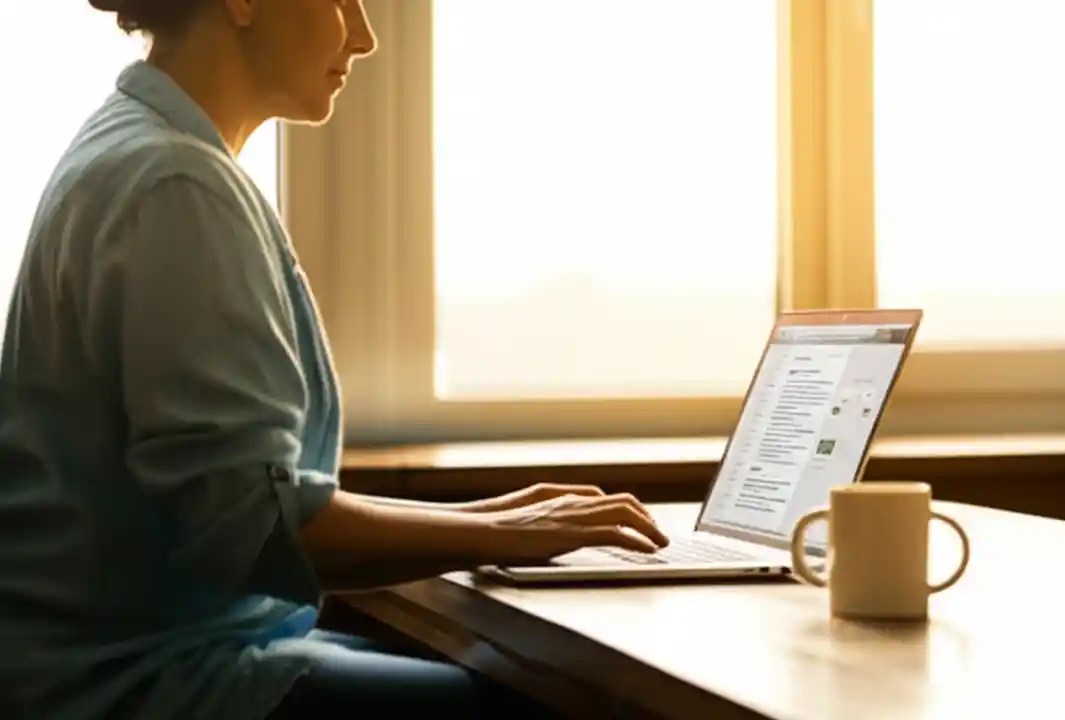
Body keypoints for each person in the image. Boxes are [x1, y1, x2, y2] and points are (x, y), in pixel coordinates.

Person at [0, 0, 669, 718]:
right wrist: (497, 534)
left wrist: (489, 516)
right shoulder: (176, 182)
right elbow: (248, 527)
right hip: (137, 687)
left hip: (124, 659)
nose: (365, 35)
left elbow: (251, 497)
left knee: (524, 677)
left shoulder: (140, 146)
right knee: (558, 702)